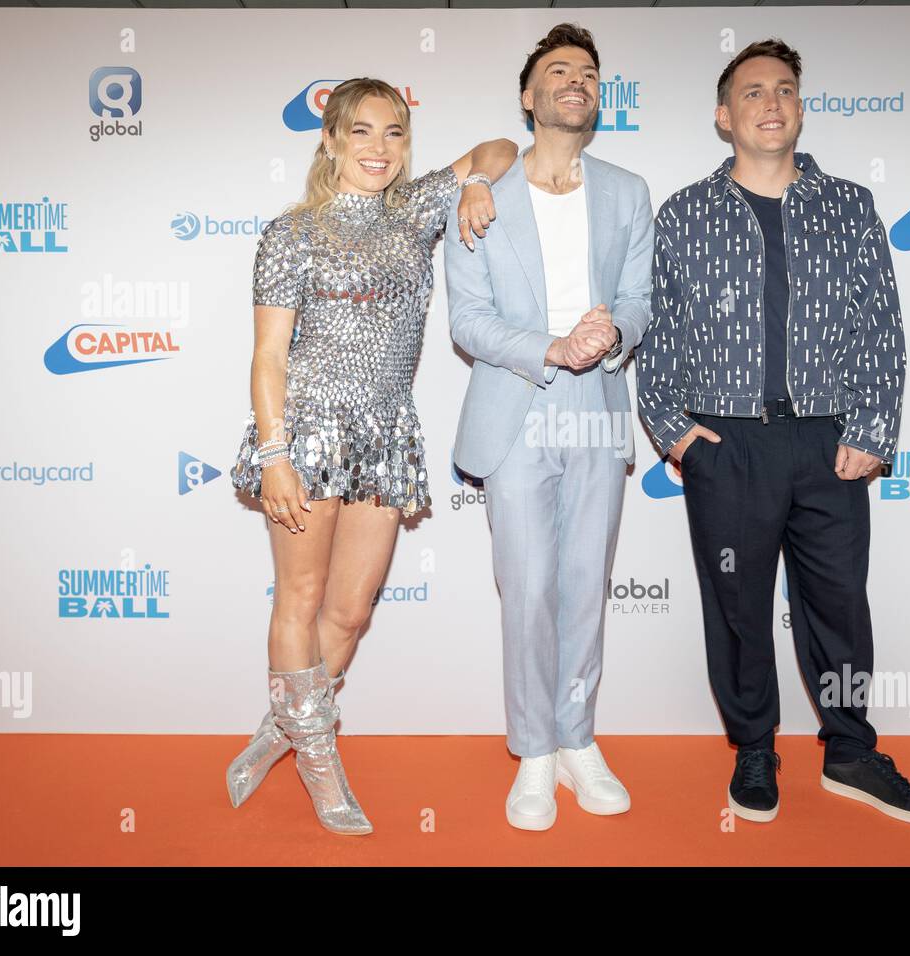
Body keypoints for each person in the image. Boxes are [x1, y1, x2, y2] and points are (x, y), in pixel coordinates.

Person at [636, 40, 910, 826]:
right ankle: (753, 749)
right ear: (723, 115)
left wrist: (874, 426)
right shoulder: (684, 213)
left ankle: (849, 749)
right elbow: (660, 332)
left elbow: (882, 324)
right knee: (738, 606)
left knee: (840, 605)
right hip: (727, 448)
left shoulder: (850, 206)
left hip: (828, 444)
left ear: (800, 108)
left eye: (784, 90)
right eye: (751, 93)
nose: (769, 103)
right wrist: (673, 431)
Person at [225, 77, 518, 835]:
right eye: (361, 132)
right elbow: (267, 357)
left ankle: (285, 725)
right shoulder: (290, 234)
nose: (379, 149)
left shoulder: (416, 209)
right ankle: (320, 760)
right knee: (300, 597)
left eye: (393, 133)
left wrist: (477, 179)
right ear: (329, 141)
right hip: (309, 431)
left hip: (386, 434)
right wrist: (276, 453)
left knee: (349, 611)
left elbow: (500, 146)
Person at [444, 23, 653, 831]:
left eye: (590, 73)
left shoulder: (629, 191)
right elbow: (469, 320)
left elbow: (638, 298)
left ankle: (578, 740)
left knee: (583, 591)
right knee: (527, 591)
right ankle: (533, 752)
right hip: (516, 407)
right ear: (529, 98)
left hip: (597, 405)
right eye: (559, 71)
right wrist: (550, 347)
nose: (577, 81)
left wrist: (614, 333)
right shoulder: (483, 194)